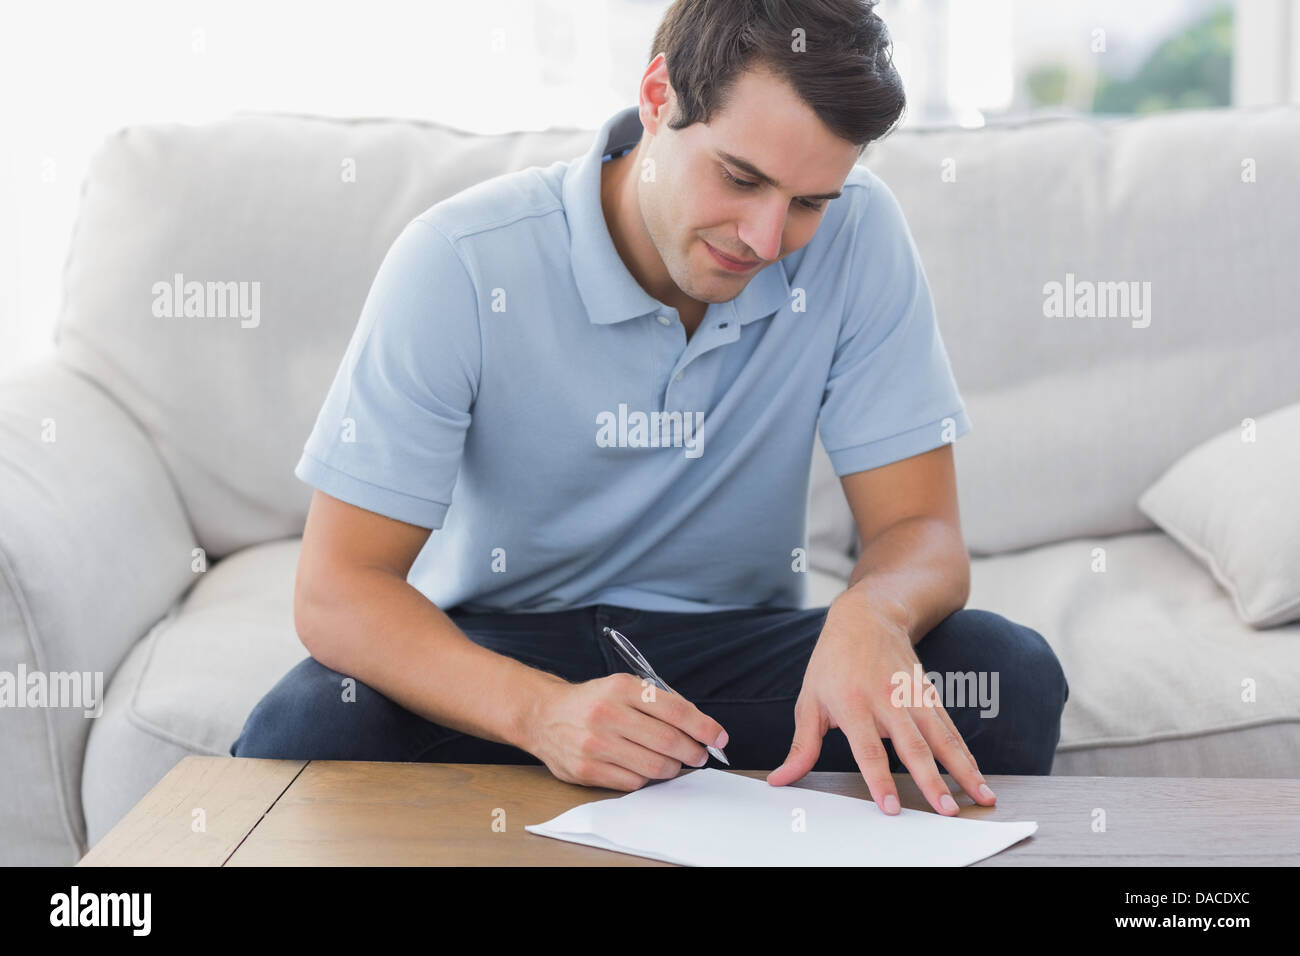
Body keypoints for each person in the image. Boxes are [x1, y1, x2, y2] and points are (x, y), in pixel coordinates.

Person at [231, 0, 1068, 818]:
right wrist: (539, 714)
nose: (766, 240)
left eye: (810, 202)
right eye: (741, 178)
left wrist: (871, 613)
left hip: (735, 656)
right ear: (659, 97)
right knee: (305, 729)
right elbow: (339, 590)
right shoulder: (458, 261)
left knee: (1003, 673)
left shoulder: (864, 239)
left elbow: (921, 528)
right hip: (504, 650)